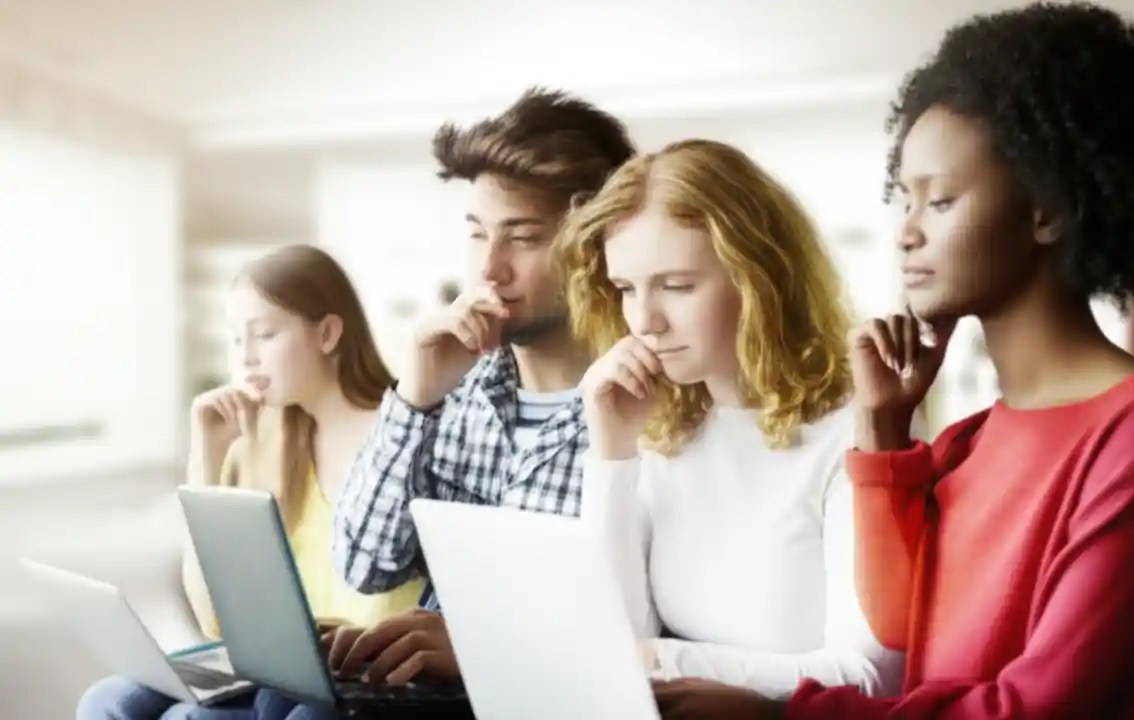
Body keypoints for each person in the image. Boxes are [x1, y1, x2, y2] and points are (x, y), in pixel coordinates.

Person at [649, 3, 1134, 718]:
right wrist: (882, 425)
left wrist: (775, 713)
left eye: (939, 201)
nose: (906, 233)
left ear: (1048, 210)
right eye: (902, 200)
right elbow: (893, 633)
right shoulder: (966, 443)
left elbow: (1037, 709)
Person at [265, 88, 636, 719]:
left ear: (597, 246)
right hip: (428, 686)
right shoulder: (458, 386)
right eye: (477, 235)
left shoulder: (640, 404)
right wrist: (417, 396)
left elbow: (636, 617)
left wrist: (483, 640)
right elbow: (365, 565)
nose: (490, 269)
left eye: (522, 238)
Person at [556, 138, 903, 701]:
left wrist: (667, 660)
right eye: (625, 289)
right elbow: (612, 642)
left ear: (758, 279)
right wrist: (612, 454)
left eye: (677, 286)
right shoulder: (662, 427)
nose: (645, 321)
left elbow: (870, 679)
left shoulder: (857, 433)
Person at [77, 245, 422, 719]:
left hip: (355, 673)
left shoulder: (404, 434)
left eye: (264, 335)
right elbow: (215, 620)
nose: (248, 358)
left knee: (190, 719)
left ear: (327, 333)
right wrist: (208, 458)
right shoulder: (265, 443)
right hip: (269, 669)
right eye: (237, 341)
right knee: (107, 701)